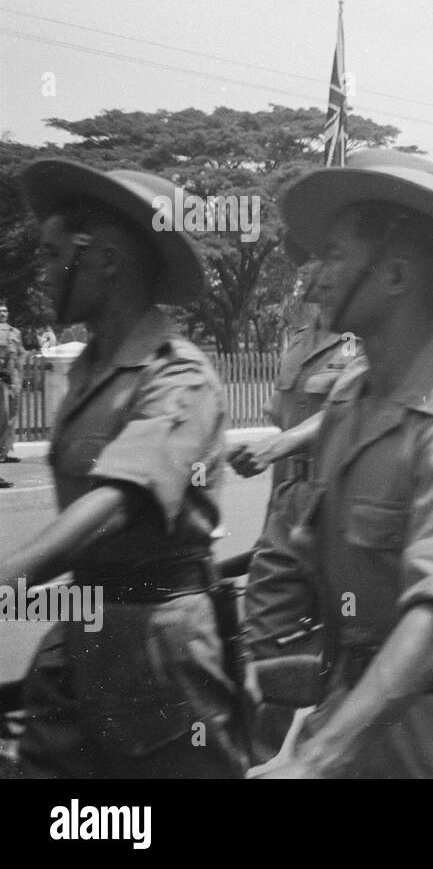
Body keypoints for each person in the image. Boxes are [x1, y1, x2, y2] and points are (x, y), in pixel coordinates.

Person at [248, 150, 433, 779]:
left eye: (335, 255)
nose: (316, 276)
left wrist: (319, 758)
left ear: (397, 276)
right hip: (355, 714)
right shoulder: (351, 403)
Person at [5, 159, 248, 777]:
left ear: (105, 260)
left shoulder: (179, 377)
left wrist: (7, 577)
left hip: (161, 647)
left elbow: (118, 500)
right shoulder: (89, 371)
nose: (45, 270)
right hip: (87, 626)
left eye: (55, 253)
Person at [228, 249, 359, 761]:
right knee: (263, 646)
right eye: (309, 268)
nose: (315, 275)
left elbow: (345, 410)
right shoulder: (298, 343)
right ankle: (261, 762)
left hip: (342, 508)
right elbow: (281, 413)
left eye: (325, 264)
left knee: (352, 652)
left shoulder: (367, 343)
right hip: (287, 508)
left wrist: (279, 444)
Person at [0, 299, 23, 472]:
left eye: (5, 311)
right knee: (3, 415)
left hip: (13, 379)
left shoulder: (16, 333)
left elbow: (19, 357)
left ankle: (5, 452)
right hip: (1, 378)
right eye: (0, 311)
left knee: (11, 417)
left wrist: (19, 379)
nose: (2, 314)